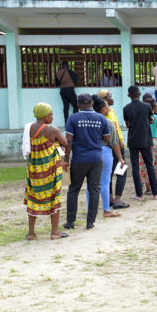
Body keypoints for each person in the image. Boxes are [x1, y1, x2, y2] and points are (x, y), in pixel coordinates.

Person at [63, 93, 112, 230]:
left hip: (79, 159)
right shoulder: (101, 118)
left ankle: (70, 222)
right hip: (96, 158)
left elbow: (68, 141)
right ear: (92, 103)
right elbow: (107, 138)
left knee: (73, 190)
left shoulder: (73, 118)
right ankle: (90, 222)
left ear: (78, 105)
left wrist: (66, 160)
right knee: (94, 190)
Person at [24, 103, 69, 240]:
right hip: (51, 170)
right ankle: (54, 232)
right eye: (51, 114)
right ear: (44, 116)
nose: (52, 116)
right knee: (54, 197)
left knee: (33, 198)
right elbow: (65, 143)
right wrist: (57, 144)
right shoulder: (52, 129)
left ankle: (31, 233)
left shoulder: (29, 128)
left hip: (34, 170)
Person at [123, 86, 157, 201]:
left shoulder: (126, 108)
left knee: (135, 166)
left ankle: (139, 194)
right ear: (139, 94)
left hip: (133, 140)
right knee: (150, 165)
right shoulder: (147, 106)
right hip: (145, 139)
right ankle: (156, 193)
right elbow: (151, 120)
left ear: (129, 95)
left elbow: (127, 125)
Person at [87, 96, 123, 220]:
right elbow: (115, 142)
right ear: (103, 109)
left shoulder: (86, 122)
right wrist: (120, 158)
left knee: (90, 183)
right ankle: (106, 210)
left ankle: (90, 209)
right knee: (105, 182)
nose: (108, 109)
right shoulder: (107, 122)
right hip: (105, 152)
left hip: (89, 153)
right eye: (107, 106)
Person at [97, 90, 128, 210]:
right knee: (121, 171)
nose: (112, 98)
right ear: (104, 99)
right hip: (115, 145)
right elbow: (113, 130)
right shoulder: (106, 113)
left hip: (113, 145)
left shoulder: (110, 111)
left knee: (109, 173)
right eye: (110, 96)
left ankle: (110, 198)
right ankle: (117, 199)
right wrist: (119, 144)